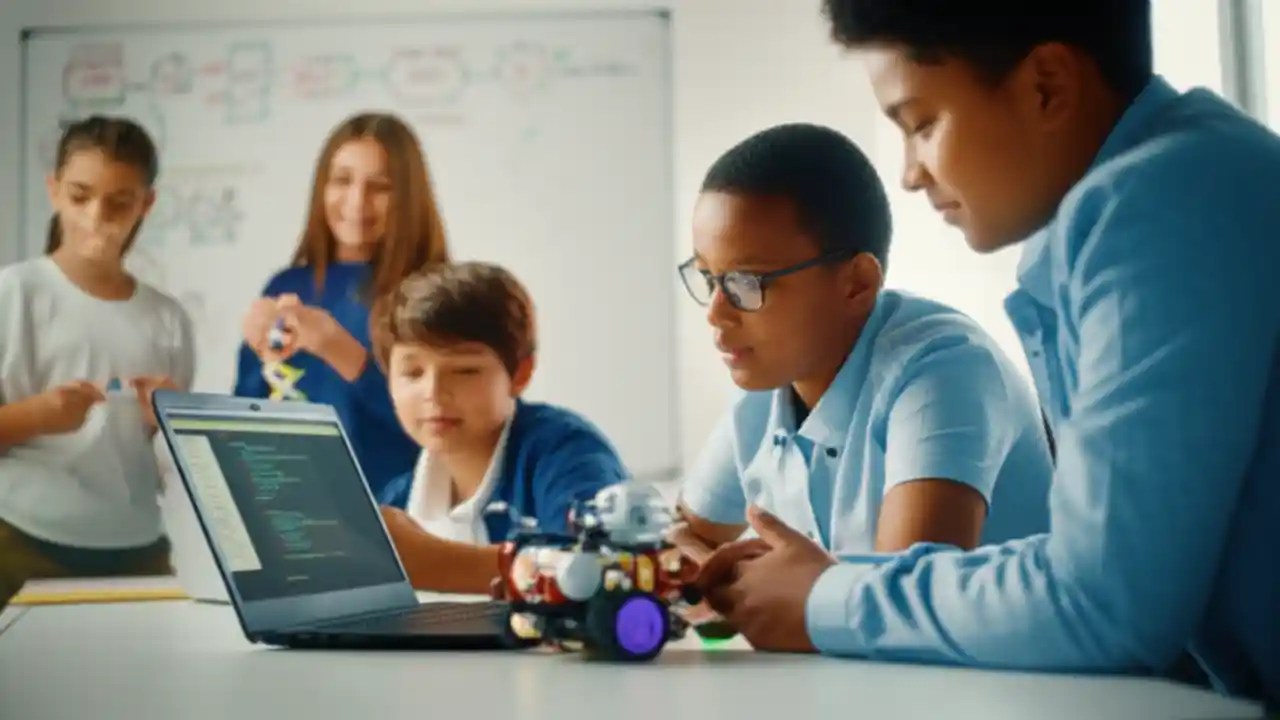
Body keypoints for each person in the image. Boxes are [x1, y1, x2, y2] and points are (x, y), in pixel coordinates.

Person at [695, 0, 1280, 706]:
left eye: (923, 125)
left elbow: (1102, 604)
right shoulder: (1144, 197)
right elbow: (1099, 576)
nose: (910, 173)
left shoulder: (1164, 203)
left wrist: (824, 597)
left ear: (1047, 86)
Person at [673, 122, 1052, 565]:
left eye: (747, 283)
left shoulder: (948, 371)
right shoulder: (770, 382)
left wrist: (769, 588)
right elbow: (680, 543)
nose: (716, 312)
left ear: (857, 283)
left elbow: (903, 604)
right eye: (708, 278)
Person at [0, 115, 195, 609]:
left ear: (145, 205)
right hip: (18, 542)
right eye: (79, 196)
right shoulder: (13, 293)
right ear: (54, 190)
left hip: (135, 551)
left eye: (119, 202)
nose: (95, 217)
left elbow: (174, 464)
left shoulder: (166, 318)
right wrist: (40, 415)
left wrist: (169, 421)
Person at [373, 262, 628, 593]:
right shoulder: (399, 500)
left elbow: (601, 569)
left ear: (520, 374)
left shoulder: (564, 453)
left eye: (464, 371)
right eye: (412, 372)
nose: (434, 392)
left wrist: (436, 563)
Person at [233, 112, 449, 499]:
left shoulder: (431, 293)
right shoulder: (286, 286)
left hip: (393, 516)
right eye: (342, 180)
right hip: (293, 506)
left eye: (380, 186)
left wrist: (339, 349)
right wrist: (256, 352)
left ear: (408, 197)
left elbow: (440, 425)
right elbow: (246, 417)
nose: (356, 201)